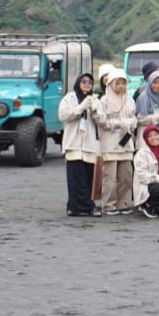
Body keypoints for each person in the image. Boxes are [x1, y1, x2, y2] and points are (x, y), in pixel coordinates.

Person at [97, 69, 139, 215]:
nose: (121, 86)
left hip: (126, 143)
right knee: (110, 176)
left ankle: (123, 202)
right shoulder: (104, 100)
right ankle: (109, 204)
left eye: (123, 83)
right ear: (111, 84)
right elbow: (101, 121)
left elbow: (135, 118)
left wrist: (128, 123)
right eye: (118, 83)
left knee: (126, 175)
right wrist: (117, 123)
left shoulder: (129, 100)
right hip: (110, 142)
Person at [60, 73, 100, 217]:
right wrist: (80, 108)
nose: (87, 84)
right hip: (73, 143)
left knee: (87, 177)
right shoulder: (69, 98)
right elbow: (63, 115)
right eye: (84, 81)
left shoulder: (94, 99)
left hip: (88, 144)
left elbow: (100, 121)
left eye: (90, 82)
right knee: (75, 178)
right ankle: (86, 207)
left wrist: (95, 111)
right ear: (78, 82)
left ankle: (74, 205)